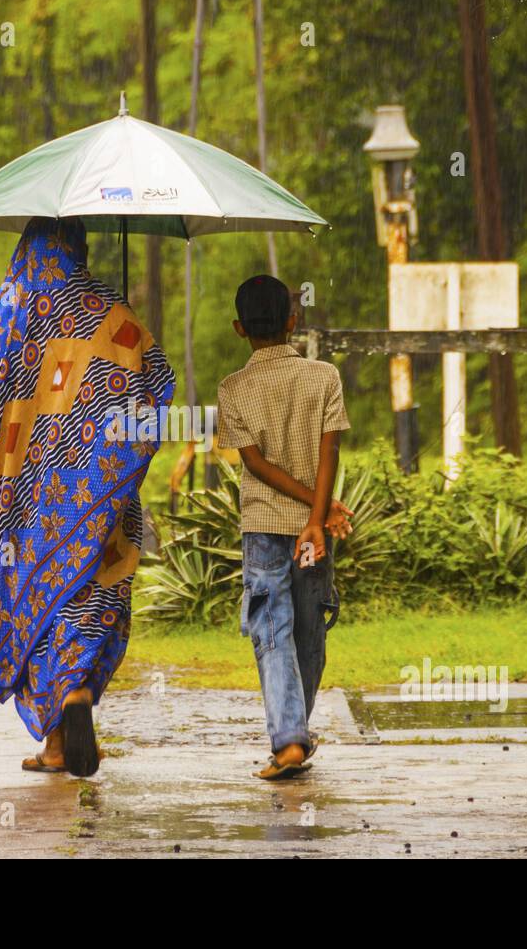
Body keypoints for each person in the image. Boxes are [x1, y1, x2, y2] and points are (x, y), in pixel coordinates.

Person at [0, 217, 174, 777]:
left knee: (36, 601)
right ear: (79, 249)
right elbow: (156, 388)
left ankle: (56, 741)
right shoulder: (112, 312)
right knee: (86, 595)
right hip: (97, 494)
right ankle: (76, 694)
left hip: (22, 500)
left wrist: (17, 421)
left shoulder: (5, 315)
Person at [216, 274, 351, 780]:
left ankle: (290, 738)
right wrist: (319, 516)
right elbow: (329, 449)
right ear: (293, 321)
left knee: (272, 629)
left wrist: (314, 513)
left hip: (263, 531)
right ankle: (295, 731)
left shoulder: (233, 389)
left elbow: (255, 465)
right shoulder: (324, 377)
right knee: (311, 627)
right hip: (309, 533)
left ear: (238, 329)